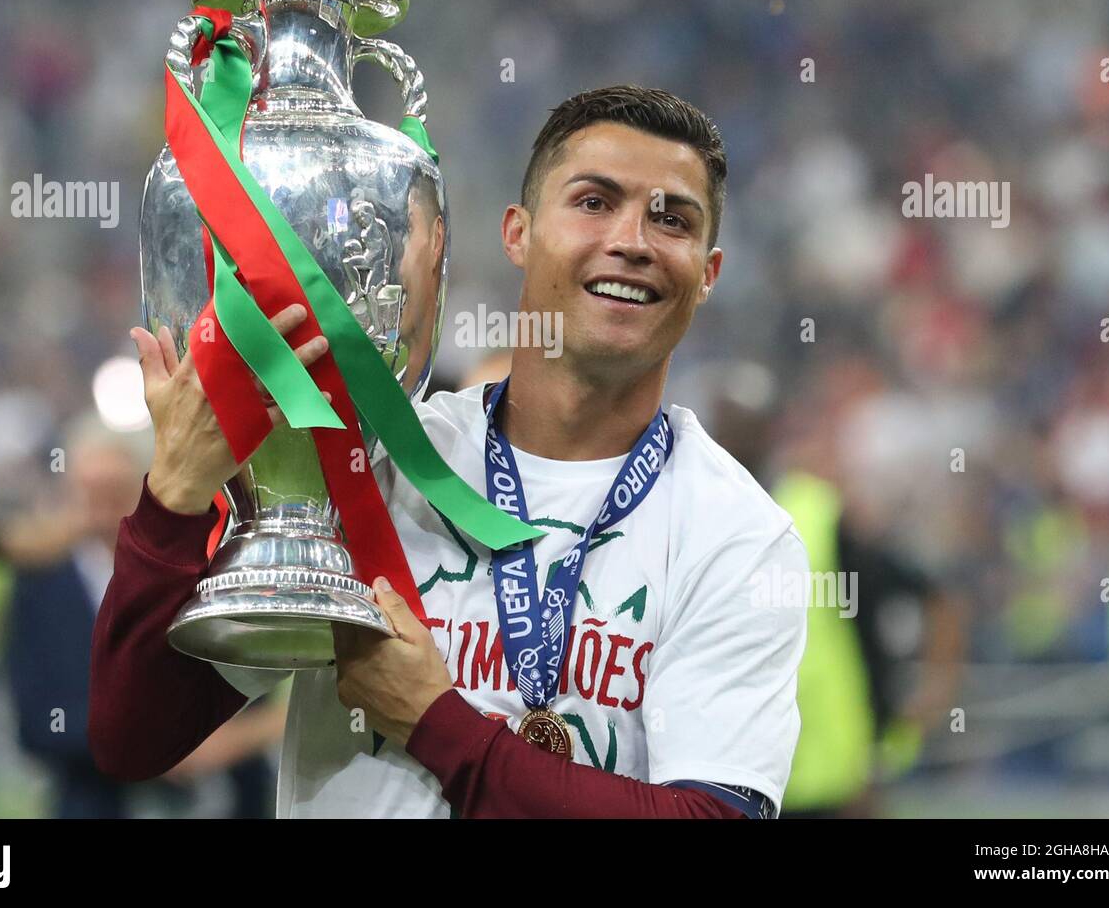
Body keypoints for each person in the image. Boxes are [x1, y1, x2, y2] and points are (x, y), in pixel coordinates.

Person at [90, 85, 810, 819]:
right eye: (594, 201)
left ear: (709, 273)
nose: (633, 239)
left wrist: (433, 721)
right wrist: (171, 503)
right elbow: (134, 740)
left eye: (672, 219)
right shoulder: (373, 465)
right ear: (517, 233)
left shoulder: (737, 536)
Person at [7, 413, 284, 817]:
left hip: (229, 799)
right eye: (89, 495)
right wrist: (154, 745)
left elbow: (251, 675)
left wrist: (224, 741)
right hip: (101, 803)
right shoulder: (41, 585)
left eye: (114, 493)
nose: (101, 513)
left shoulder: (204, 563)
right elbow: (36, 722)